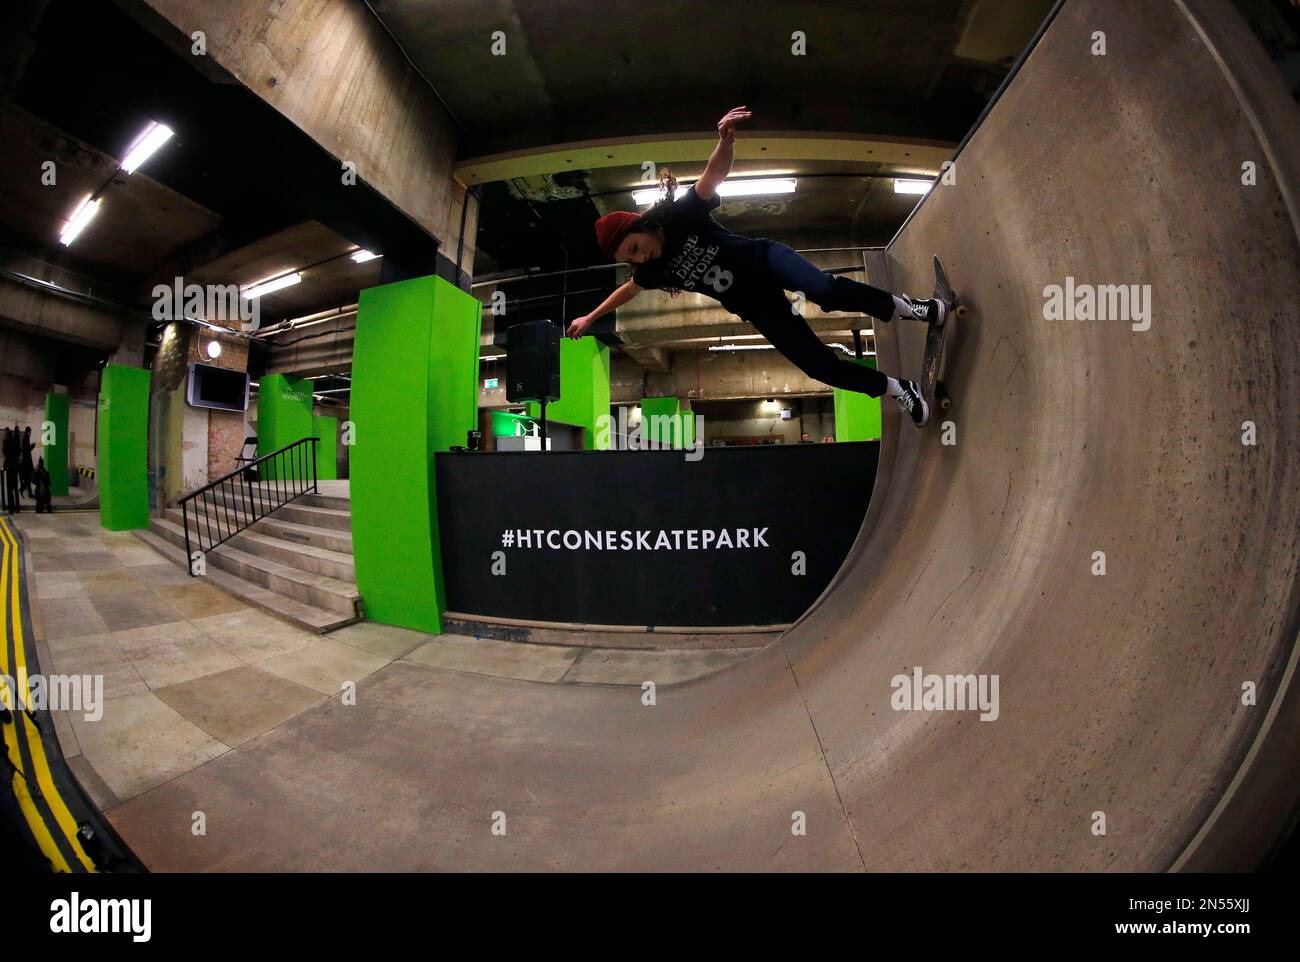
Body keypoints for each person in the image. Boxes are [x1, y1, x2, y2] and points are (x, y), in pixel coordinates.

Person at [569, 106, 943, 427]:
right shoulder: (652, 270)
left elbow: (712, 176)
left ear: (642, 225)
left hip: (765, 260)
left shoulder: (681, 216)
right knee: (818, 366)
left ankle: (913, 308)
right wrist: (590, 317)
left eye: (636, 247)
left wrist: (725, 143)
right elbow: (629, 289)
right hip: (755, 304)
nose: (639, 258)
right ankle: (897, 388)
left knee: (825, 292)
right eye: (630, 259)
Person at [2, 426, 19, 514]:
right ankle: (17, 507)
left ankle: (11, 508)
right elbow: (17, 453)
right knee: (15, 488)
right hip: (15, 467)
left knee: (9, 488)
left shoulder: (6, 442)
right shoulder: (15, 442)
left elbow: (4, 452)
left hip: (9, 467)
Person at [19, 425, 34, 497]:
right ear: (27, 432)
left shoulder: (26, 439)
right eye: (30, 432)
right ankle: (26, 491)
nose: (30, 433)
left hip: (27, 461)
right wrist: (32, 447)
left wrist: (31, 447)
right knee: (29, 477)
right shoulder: (25, 439)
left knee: (28, 478)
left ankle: (24, 490)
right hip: (27, 462)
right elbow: (26, 451)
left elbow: (26, 450)